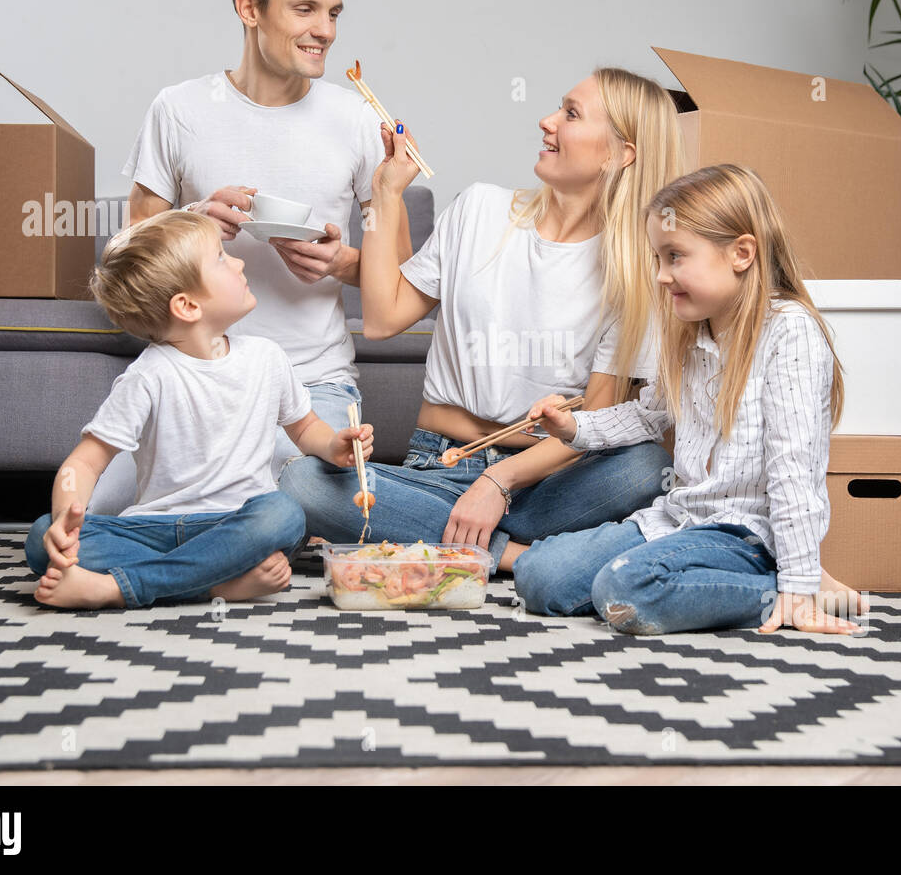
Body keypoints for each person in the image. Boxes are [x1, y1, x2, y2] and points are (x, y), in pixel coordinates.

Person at [280, 68, 683, 574]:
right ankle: (517, 556)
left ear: (621, 153)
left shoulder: (634, 275)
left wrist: (499, 483)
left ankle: (444, 538)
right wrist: (385, 193)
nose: (546, 121)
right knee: (302, 484)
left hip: (547, 481)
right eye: (558, 108)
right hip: (440, 466)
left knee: (645, 469)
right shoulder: (479, 209)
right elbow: (382, 319)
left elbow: (594, 426)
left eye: (571, 114)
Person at [89, 0, 407, 515]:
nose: (325, 31)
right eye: (306, 9)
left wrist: (342, 263)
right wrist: (193, 220)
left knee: (289, 499)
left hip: (313, 387)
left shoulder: (358, 120)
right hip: (195, 376)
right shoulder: (179, 110)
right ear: (249, 8)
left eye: (334, 13)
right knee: (85, 519)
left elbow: (402, 287)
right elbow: (125, 263)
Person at [513, 164, 868, 635]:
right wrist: (574, 429)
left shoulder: (790, 332)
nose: (661, 276)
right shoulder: (689, 333)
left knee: (625, 591)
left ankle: (788, 587)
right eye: (658, 259)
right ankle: (730, 584)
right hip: (679, 520)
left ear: (741, 253)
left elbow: (794, 470)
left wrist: (799, 577)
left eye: (675, 256)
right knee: (537, 576)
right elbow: (648, 416)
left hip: (744, 535)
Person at [25, 210, 374, 610]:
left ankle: (119, 587)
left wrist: (333, 446)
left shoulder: (267, 357)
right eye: (222, 258)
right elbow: (84, 463)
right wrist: (64, 522)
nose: (240, 261)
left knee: (283, 513)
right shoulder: (148, 376)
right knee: (40, 538)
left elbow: (306, 427)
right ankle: (211, 583)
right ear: (188, 306)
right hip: (151, 528)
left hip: (236, 523)